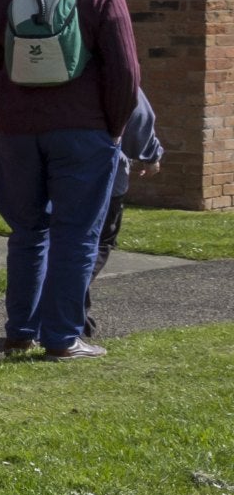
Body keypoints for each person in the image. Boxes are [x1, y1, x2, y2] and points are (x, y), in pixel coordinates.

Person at [0, 0, 143, 360]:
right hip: (85, 131)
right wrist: (113, 129)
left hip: (14, 131)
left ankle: (20, 331)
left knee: (26, 232)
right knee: (78, 233)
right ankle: (63, 337)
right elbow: (125, 75)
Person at [86, 89, 162, 339]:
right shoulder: (111, 68)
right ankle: (69, 312)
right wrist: (151, 155)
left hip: (50, 169)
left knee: (51, 241)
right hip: (104, 171)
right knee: (97, 244)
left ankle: (33, 321)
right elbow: (137, 113)